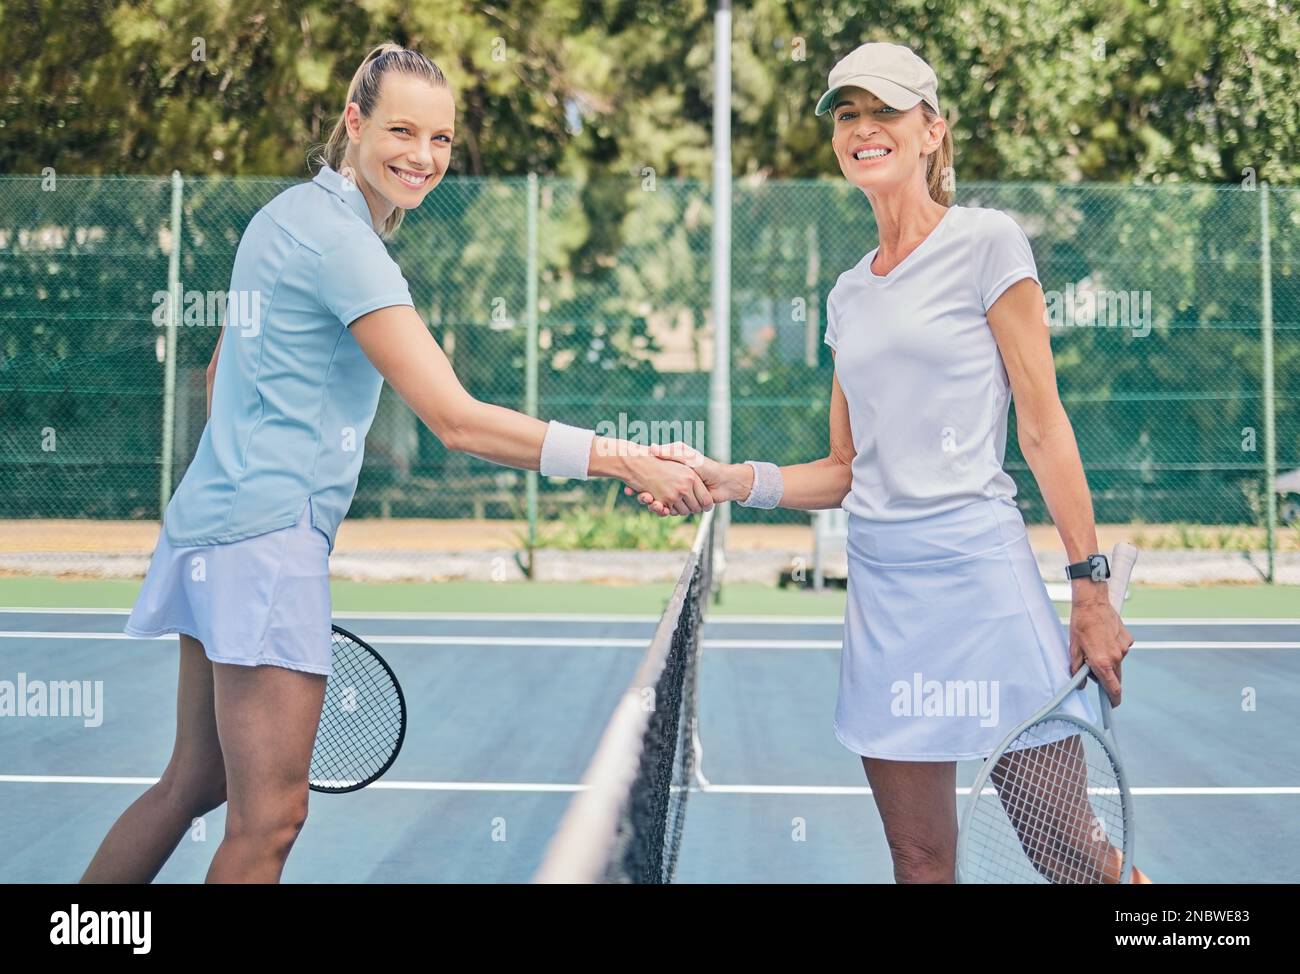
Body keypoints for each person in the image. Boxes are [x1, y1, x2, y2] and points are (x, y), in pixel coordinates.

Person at [81, 42, 709, 884]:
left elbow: (220, 370)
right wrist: (627, 460)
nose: (423, 156)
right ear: (354, 122)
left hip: (210, 529)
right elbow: (457, 421)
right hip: (265, 540)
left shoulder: (282, 219)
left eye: (442, 139)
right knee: (270, 820)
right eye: (403, 130)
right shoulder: (347, 248)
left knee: (192, 782)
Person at [633, 41, 1150, 884]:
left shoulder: (989, 243)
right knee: (918, 862)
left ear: (931, 131)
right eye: (848, 115)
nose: (863, 129)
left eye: (885, 112)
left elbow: (1045, 427)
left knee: (1071, 858)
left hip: (981, 587)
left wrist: (1089, 591)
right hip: (885, 601)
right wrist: (734, 481)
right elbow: (846, 467)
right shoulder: (849, 293)